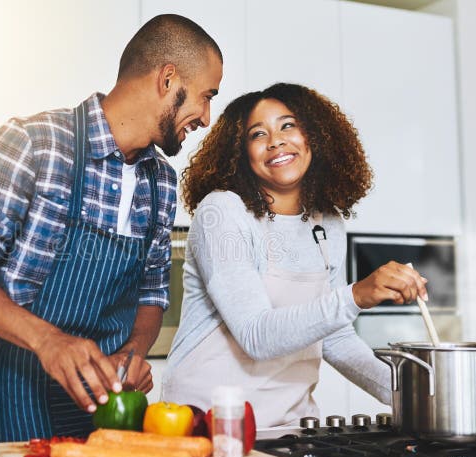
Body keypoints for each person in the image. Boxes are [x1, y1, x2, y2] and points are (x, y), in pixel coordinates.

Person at [0, 14, 223, 442]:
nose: (207, 117)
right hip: (17, 398)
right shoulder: (35, 143)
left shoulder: (160, 180)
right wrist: (49, 342)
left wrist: (133, 353)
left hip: (109, 411)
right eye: (205, 96)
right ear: (167, 79)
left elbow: (152, 292)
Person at [161, 83, 428, 428]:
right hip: (210, 424)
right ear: (241, 153)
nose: (275, 141)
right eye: (258, 134)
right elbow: (257, 335)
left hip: (290, 424)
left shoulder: (327, 221)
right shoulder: (223, 212)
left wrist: (416, 397)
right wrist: (356, 295)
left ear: (315, 136)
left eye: (288, 125)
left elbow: (335, 337)